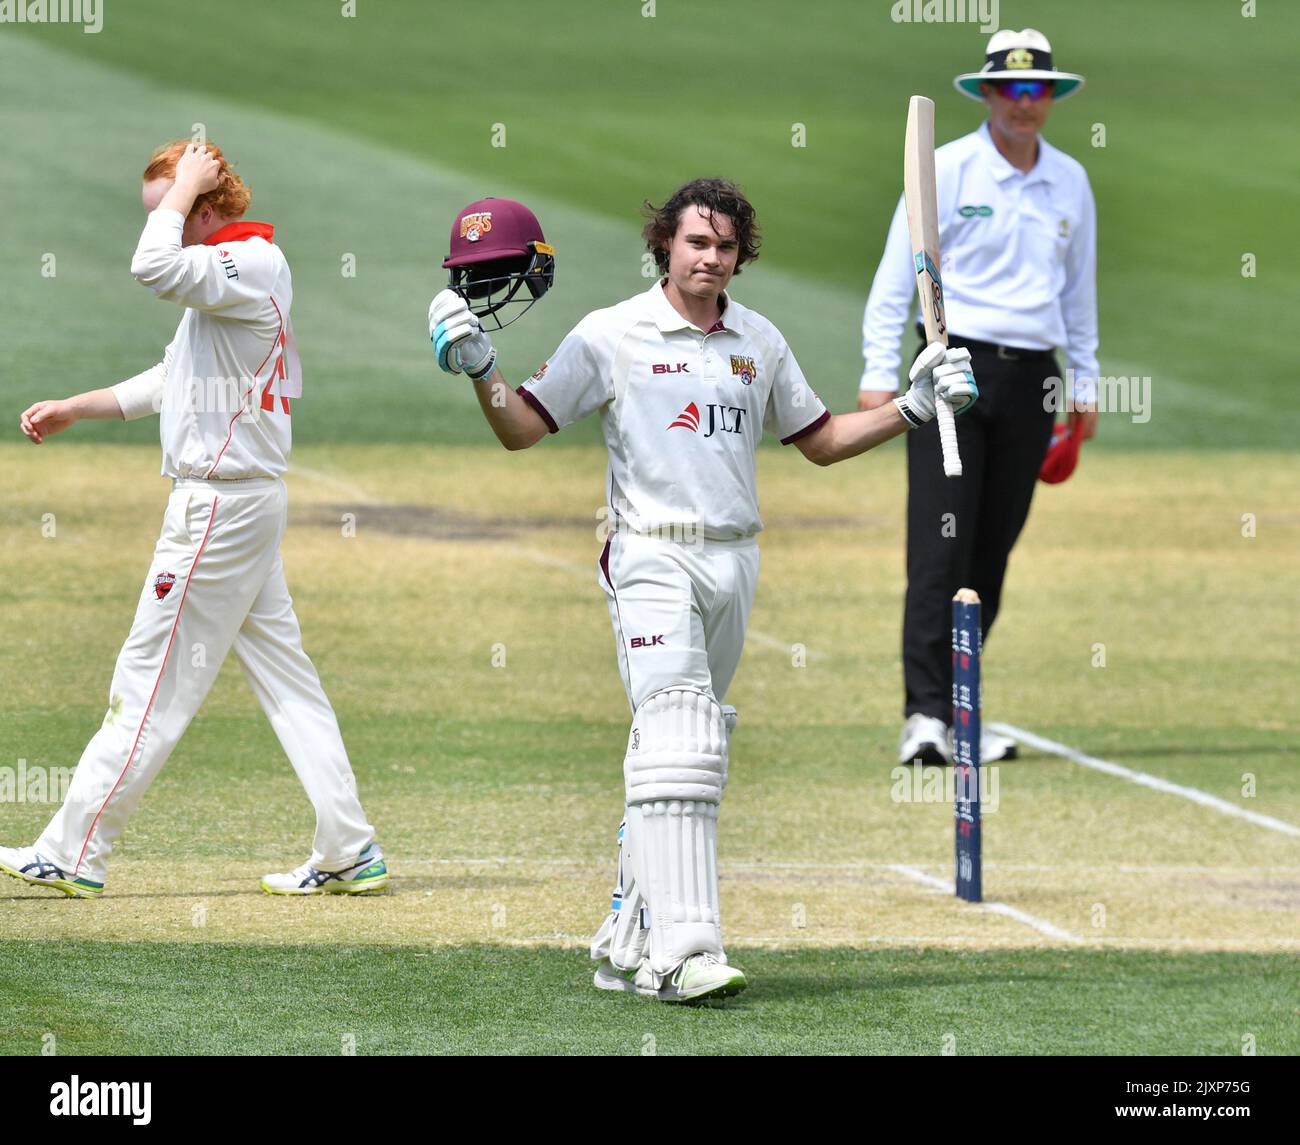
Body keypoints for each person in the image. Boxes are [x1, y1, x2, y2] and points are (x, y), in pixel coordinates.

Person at [428, 180, 977, 1003]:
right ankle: (684, 951)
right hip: (650, 554)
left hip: (734, 559)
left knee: (677, 751)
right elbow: (520, 427)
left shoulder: (758, 340)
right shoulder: (612, 333)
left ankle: (626, 933)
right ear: (665, 246)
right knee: (679, 735)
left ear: (738, 256)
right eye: (696, 243)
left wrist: (913, 405)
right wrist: (482, 368)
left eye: (724, 247)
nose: (710, 258)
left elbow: (821, 439)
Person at [1, 142, 387, 899]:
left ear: (206, 207)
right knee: (288, 679)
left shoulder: (246, 264)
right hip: (240, 505)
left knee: (148, 677)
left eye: (173, 210)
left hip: (218, 509)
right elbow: (175, 375)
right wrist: (79, 407)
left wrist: (179, 193)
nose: (162, 225)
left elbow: (152, 270)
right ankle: (350, 847)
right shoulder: (231, 272)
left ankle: (75, 849)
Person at [858, 28, 1098, 766]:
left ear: (1049, 99)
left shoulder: (1070, 181)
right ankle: (923, 715)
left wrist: (1083, 383)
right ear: (988, 94)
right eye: (1012, 90)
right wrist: (878, 372)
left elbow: (1078, 291)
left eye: (1038, 91)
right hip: (949, 368)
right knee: (941, 544)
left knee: (992, 549)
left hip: (1033, 375)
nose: (1025, 104)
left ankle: (961, 709)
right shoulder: (946, 169)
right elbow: (900, 276)